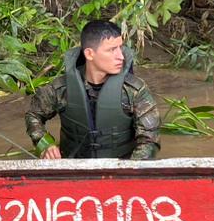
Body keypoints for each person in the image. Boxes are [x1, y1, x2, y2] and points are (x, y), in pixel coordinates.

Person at [25, 19, 161, 160]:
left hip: (121, 167)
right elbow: (33, 115)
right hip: (72, 165)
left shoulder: (135, 90)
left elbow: (149, 139)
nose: (121, 56)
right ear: (89, 54)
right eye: (111, 50)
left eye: (120, 48)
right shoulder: (60, 89)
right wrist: (45, 145)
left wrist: (129, 171)